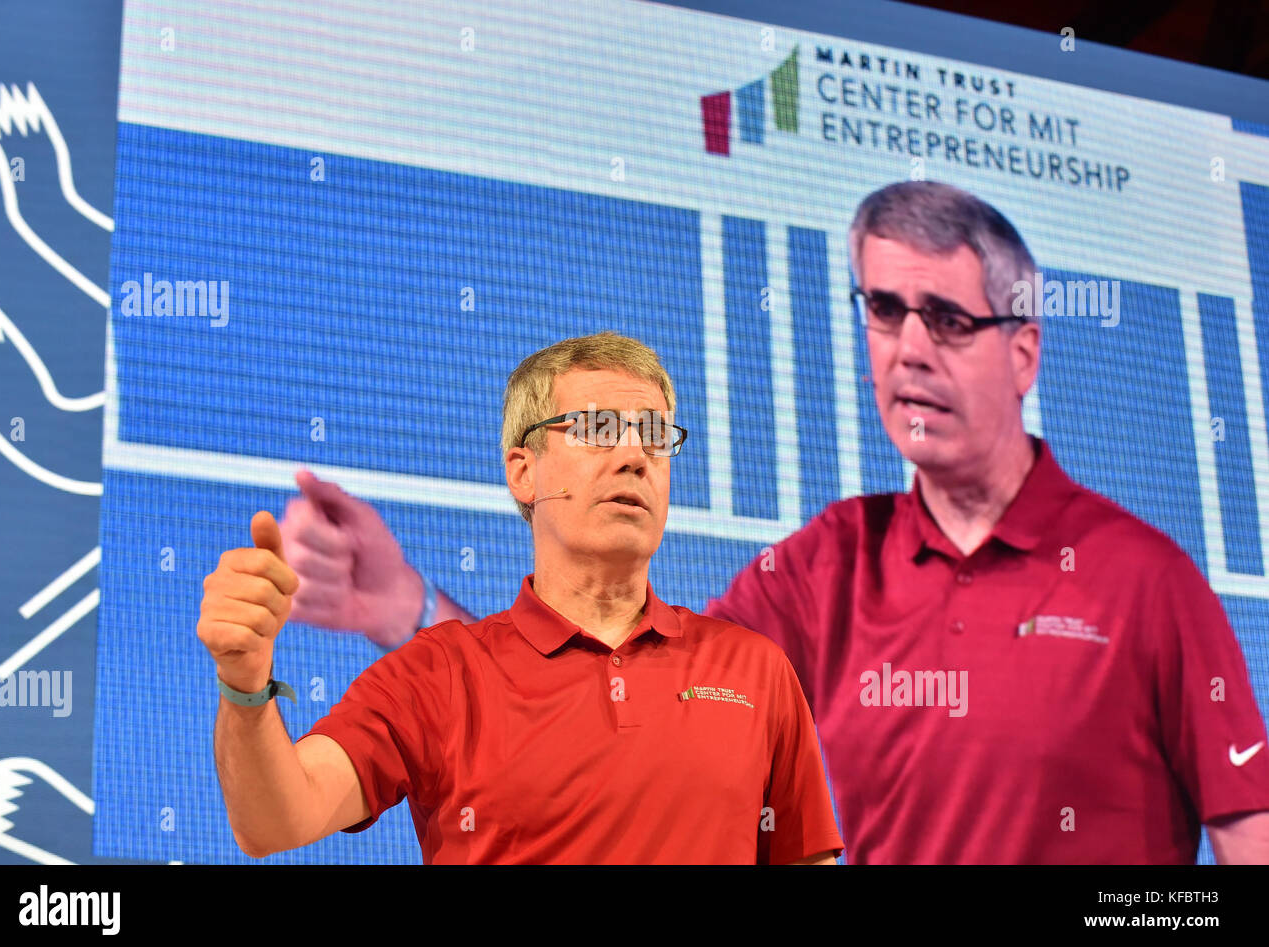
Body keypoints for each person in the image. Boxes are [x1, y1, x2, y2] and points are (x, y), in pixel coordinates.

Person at [281, 183, 1269, 864]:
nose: (909, 351)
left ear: (1023, 353)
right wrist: (406, 606)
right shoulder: (825, 568)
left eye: (948, 320)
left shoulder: (1143, 581)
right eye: (884, 312)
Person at [198, 332, 843, 864]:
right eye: (596, 428)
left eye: (653, 434)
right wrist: (244, 685)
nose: (634, 456)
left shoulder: (757, 672)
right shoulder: (438, 672)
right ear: (522, 471)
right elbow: (277, 821)